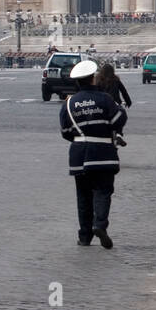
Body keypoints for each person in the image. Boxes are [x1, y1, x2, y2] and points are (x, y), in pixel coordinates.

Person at [58, 59, 127, 248]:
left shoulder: (69, 103)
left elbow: (65, 132)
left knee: (83, 196)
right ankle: (100, 224)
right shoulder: (104, 99)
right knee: (103, 191)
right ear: (93, 79)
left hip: (79, 154)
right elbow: (119, 119)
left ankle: (85, 236)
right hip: (103, 152)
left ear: (77, 82)